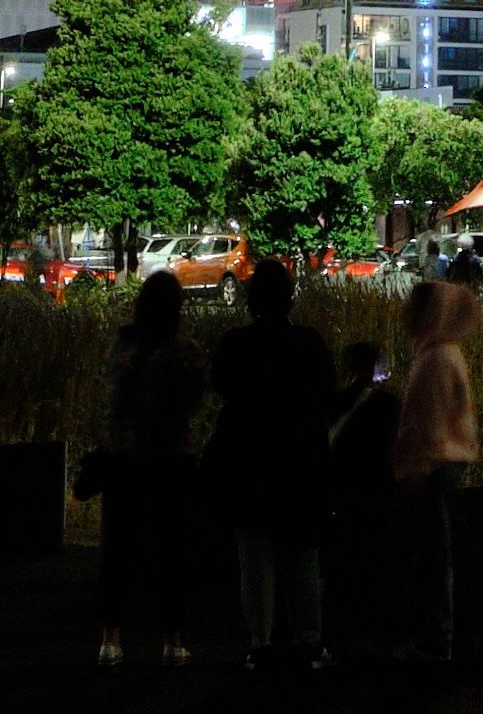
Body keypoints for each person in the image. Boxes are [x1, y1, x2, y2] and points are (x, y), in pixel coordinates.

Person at [205, 259, 333, 669]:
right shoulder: (310, 344)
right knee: (302, 556)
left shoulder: (236, 344)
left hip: (250, 462)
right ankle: (309, 640)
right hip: (300, 462)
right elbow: (325, 397)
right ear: (289, 297)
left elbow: (221, 388)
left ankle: (260, 643)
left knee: (255, 558)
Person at [96, 272, 206, 668]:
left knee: (118, 552)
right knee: (173, 553)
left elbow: (107, 400)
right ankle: (173, 641)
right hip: (172, 460)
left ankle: (111, 639)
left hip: (124, 459)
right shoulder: (184, 350)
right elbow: (194, 402)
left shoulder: (122, 346)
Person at [391, 277, 482, 666]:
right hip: (445, 466)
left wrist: (415, 470)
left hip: (435, 469)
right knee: (439, 554)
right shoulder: (446, 353)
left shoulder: (435, 360)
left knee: (435, 558)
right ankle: (441, 637)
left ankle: (437, 641)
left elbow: (428, 424)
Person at [321, 340, 400, 658]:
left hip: (342, 492)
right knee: (376, 560)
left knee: (342, 560)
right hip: (378, 491)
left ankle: (340, 627)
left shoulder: (336, 401)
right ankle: (373, 630)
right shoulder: (389, 404)